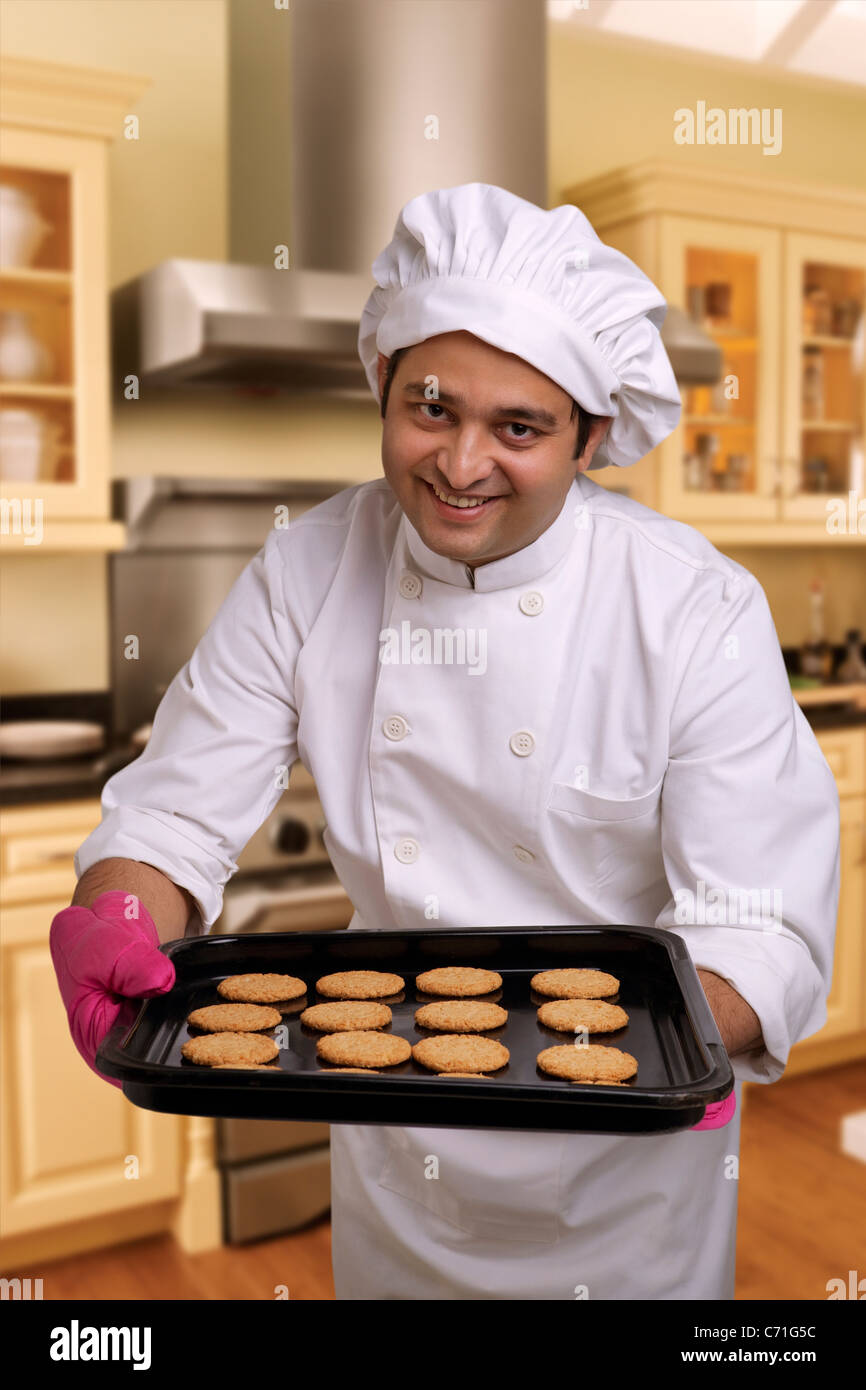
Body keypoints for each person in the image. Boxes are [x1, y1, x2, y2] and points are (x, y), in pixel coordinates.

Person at [52, 183, 840, 1300]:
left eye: (518, 427)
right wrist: (120, 910)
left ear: (591, 434)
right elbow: (175, 810)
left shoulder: (691, 608)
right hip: (394, 1158)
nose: (460, 463)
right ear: (380, 383)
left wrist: (675, 1046)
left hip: (623, 1192)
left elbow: (758, 921)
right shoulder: (306, 567)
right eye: (431, 407)